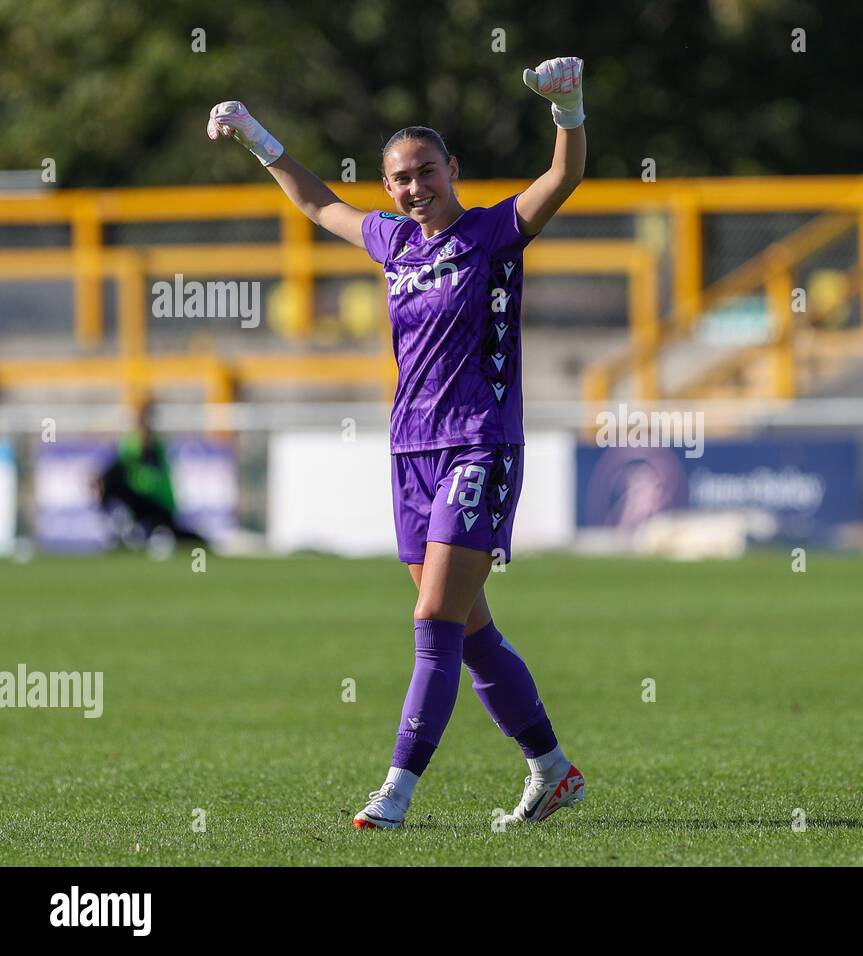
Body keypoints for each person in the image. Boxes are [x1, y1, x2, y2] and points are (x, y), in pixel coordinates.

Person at [207, 56, 587, 829]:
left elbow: (563, 179)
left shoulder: (491, 233)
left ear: (453, 170)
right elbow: (317, 206)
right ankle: (552, 768)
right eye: (400, 179)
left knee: (434, 624)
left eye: (426, 172)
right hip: (409, 453)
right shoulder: (393, 244)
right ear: (388, 189)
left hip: (479, 444)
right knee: (470, 629)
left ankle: (397, 792)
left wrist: (568, 108)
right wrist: (257, 139)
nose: (414, 187)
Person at [97, 402, 205, 553]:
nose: (142, 433)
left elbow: (154, 482)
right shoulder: (130, 448)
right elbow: (115, 470)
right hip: (140, 503)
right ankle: (120, 531)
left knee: (175, 534)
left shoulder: (156, 450)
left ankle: (198, 542)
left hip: (158, 504)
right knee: (108, 482)